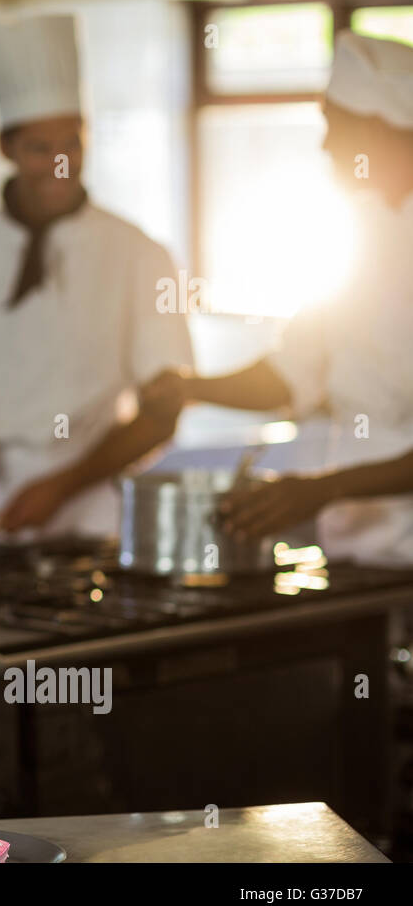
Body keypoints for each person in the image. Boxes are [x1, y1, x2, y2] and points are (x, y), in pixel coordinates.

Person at [0, 14, 193, 539]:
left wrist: (61, 486)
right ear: (4, 148)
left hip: (90, 509)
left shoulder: (137, 253)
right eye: (40, 148)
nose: (60, 165)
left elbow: (162, 412)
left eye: (72, 144)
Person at [140, 31, 413, 565]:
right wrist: (192, 388)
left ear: (384, 130)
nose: (325, 145)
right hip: (360, 541)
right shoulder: (357, 232)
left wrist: (318, 489)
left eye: (337, 126)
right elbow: (292, 373)